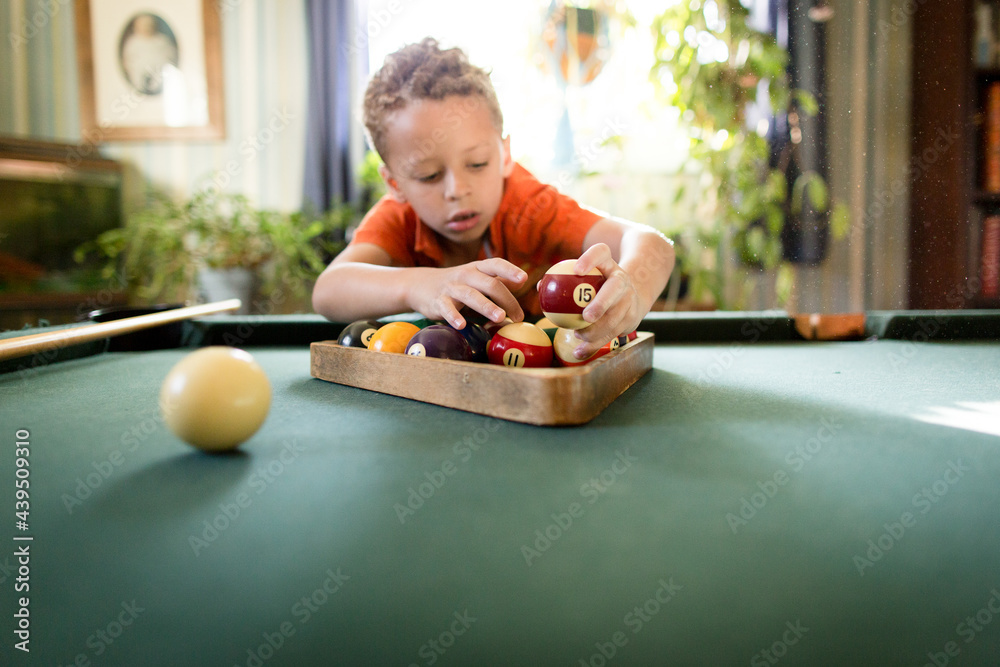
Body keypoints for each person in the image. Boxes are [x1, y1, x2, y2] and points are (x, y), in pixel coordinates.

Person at [312, 38, 674, 360]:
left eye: (477, 163)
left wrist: (633, 293)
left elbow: (654, 245)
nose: (457, 189)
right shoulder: (398, 218)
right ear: (395, 184)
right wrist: (418, 284)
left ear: (504, 156)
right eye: (429, 176)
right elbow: (328, 290)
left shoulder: (530, 205)